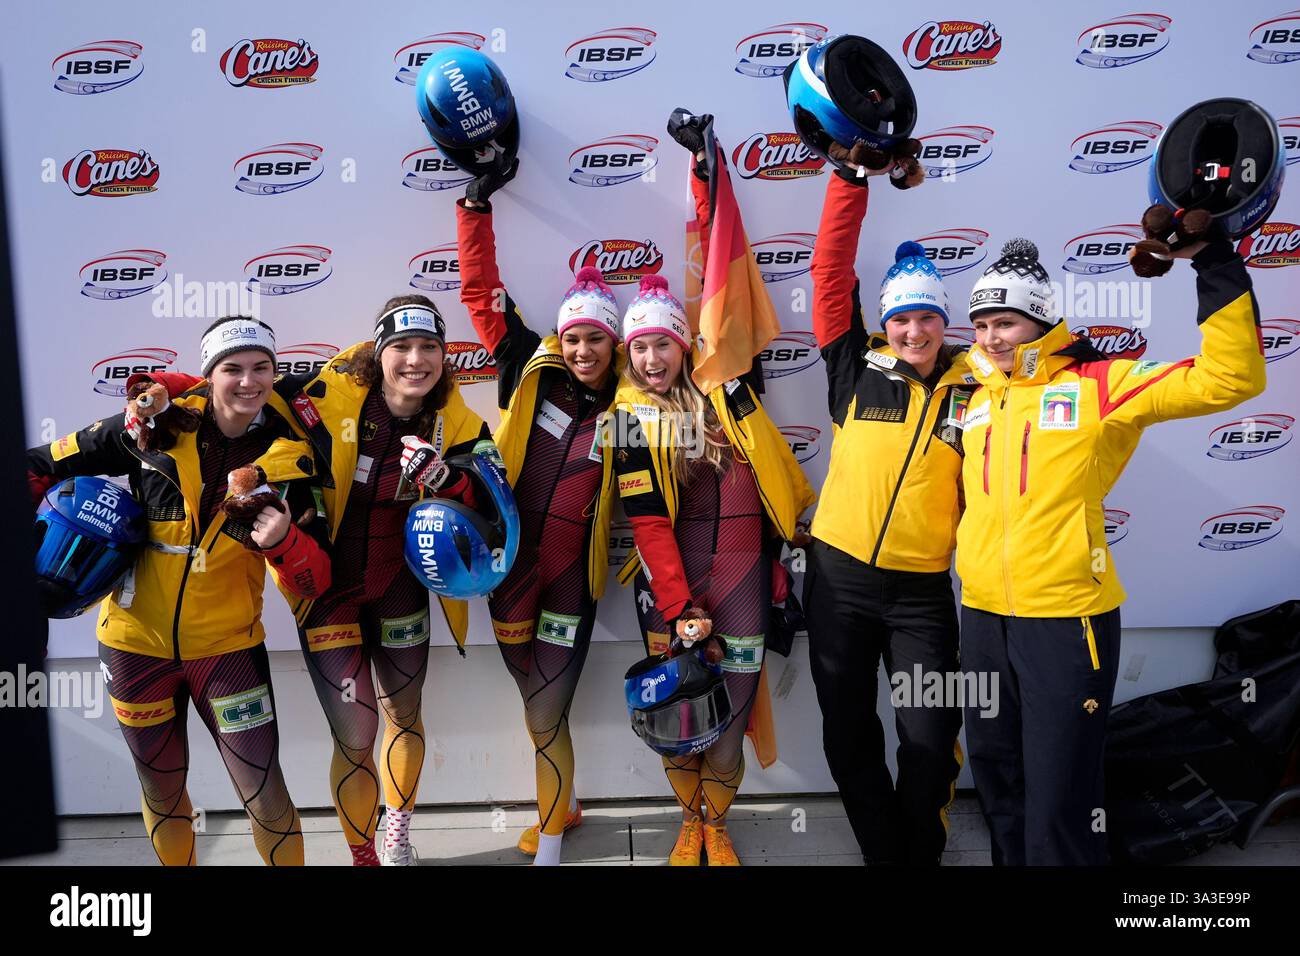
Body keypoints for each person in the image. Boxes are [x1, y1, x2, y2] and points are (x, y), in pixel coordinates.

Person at [956, 232, 1266, 865]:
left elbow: (1230, 377)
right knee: (998, 770)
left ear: (1040, 321)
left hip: (1066, 619)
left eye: (1006, 322)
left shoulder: (1099, 385)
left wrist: (1213, 262)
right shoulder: (977, 399)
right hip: (984, 615)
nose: (990, 337)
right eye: (982, 323)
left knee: (1059, 786)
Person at [27, 316, 328, 866]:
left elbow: (316, 581)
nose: (247, 381)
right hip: (133, 646)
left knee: (264, 793)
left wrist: (286, 543)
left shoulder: (292, 458)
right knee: (162, 794)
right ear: (209, 376)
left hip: (229, 652)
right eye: (232, 368)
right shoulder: (151, 428)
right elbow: (40, 465)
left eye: (261, 367)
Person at [802, 154, 974, 866]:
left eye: (926, 317)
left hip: (922, 591)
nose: (913, 332)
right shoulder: (854, 364)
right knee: (847, 730)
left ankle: (918, 850)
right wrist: (849, 180)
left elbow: (1050, 357)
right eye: (901, 318)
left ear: (944, 320)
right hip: (837, 578)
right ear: (886, 322)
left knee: (930, 739)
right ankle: (885, 855)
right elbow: (828, 273)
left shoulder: (978, 384)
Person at [610, 275, 814, 866]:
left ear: (685, 346)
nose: (652, 360)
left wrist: (710, 188)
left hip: (744, 586)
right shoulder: (626, 420)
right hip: (674, 593)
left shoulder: (729, 393)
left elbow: (735, 308)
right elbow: (647, 525)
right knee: (677, 724)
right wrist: (678, 609)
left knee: (729, 726)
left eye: (663, 345)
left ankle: (715, 825)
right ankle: (686, 824)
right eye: (640, 348)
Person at [456, 159, 622, 866]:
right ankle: (568, 803)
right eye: (574, 336)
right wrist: (473, 205)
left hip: (571, 586)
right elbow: (481, 297)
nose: (583, 349)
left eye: (596, 338)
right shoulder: (531, 364)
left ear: (617, 343)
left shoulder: (636, 404)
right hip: (508, 572)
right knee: (533, 699)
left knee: (547, 707)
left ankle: (550, 839)